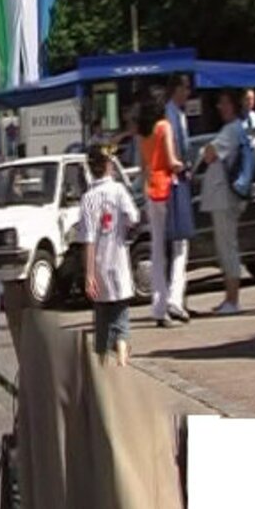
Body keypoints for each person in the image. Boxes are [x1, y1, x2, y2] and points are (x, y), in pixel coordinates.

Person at [79, 145, 141, 366]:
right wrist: (124, 225)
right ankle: (123, 365)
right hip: (119, 263)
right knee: (121, 322)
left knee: (102, 325)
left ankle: (104, 372)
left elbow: (88, 239)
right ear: (108, 166)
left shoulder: (88, 199)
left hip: (99, 268)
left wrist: (88, 275)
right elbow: (133, 217)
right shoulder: (118, 191)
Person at [197, 90, 252, 315]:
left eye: (225, 102)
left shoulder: (231, 130)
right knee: (226, 245)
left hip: (224, 198)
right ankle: (229, 298)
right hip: (224, 197)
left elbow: (210, 154)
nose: (220, 106)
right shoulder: (234, 129)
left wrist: (204, 150)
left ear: (234, 106)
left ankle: (233, 300)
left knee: (227, 247)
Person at [142, 87, 192, 328]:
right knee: (180, 245)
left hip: (151, 191)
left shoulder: (143, 132)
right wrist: (184, 166)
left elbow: (144, 166)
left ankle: (159, 307)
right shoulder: (164, 127)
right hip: (168, 190)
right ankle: (174, 299)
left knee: (157, 250)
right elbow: (172, 162)